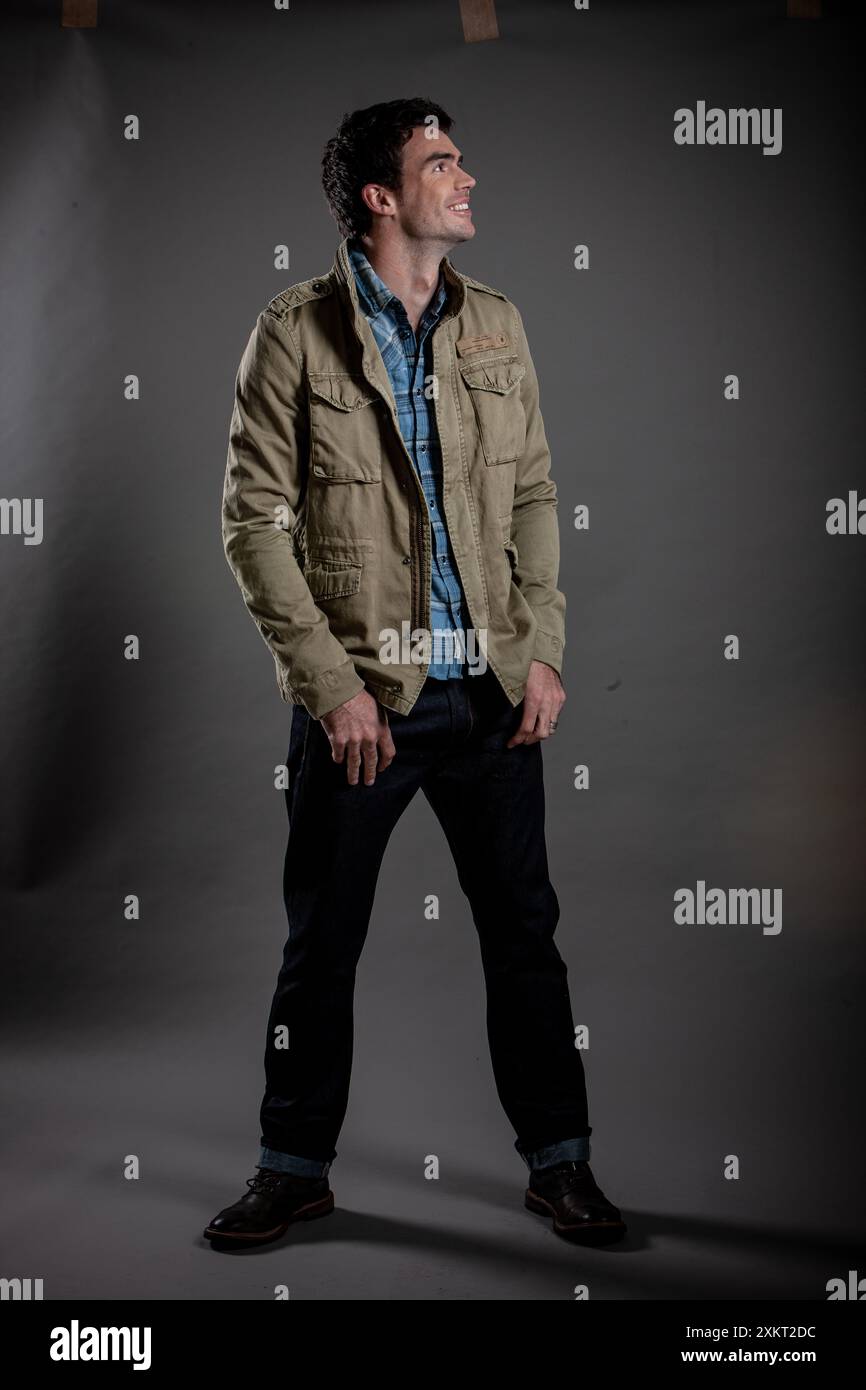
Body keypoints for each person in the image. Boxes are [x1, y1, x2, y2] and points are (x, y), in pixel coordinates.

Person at [207, 98, 625, 1249]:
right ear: (381, 196)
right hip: (364, 704)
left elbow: (533, 496)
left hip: (489, 693)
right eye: (442, 162)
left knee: (522, 936)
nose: (466, 176)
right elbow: (253, 525)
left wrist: (540, 647)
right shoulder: (292, 332)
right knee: (320, 947)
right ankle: (292, 1170)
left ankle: (561, 1165)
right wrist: (327, 686)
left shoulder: (495, 325)